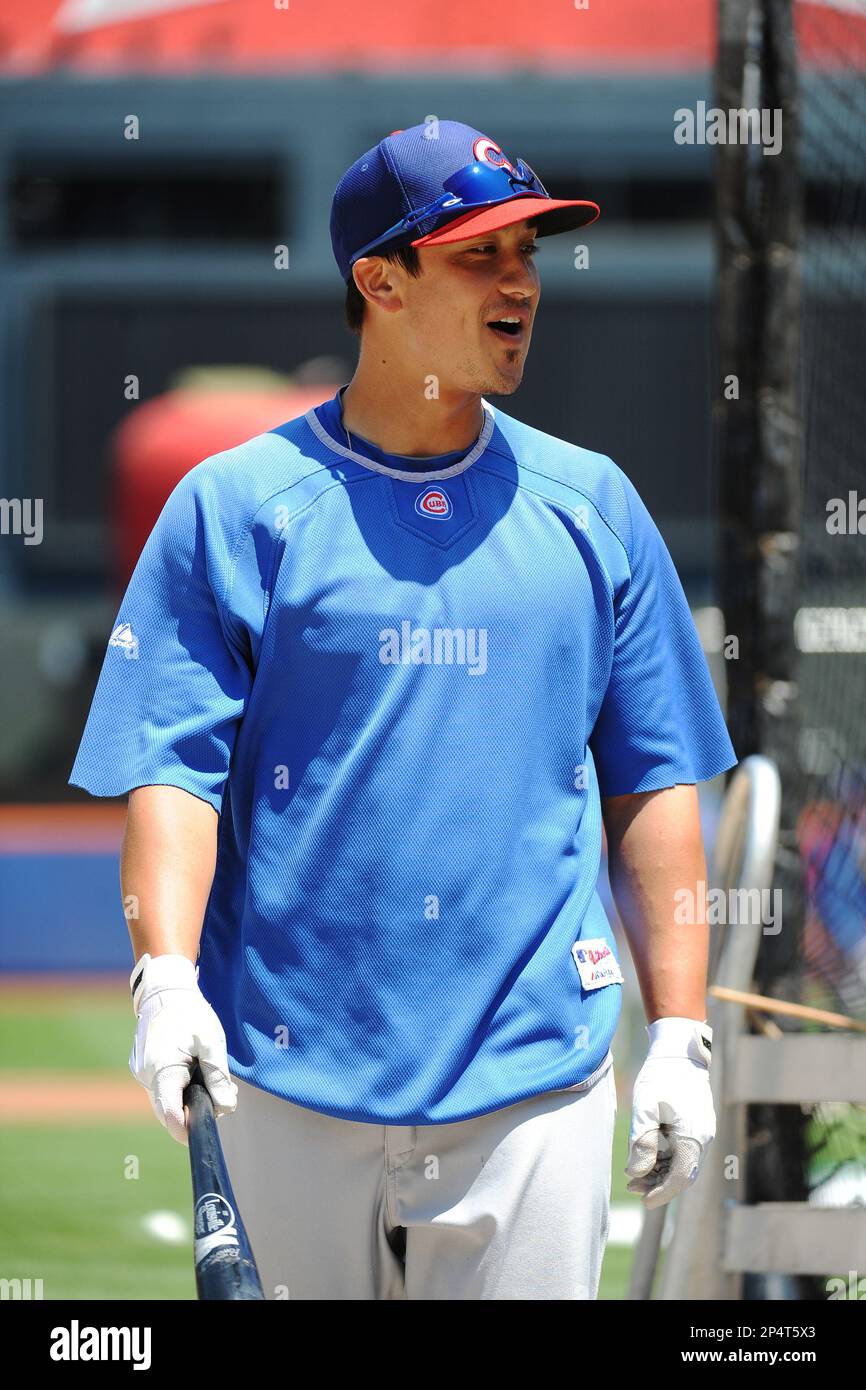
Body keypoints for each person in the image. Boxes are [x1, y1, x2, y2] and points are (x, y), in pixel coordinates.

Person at [70, 120, 735, 1300]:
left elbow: (654, 783)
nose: (521, 280)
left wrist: (679, 1032)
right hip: (277, 1075)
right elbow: (172, 775)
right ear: (378, 279)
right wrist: (162, 976)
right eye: (480, 254)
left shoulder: (595, 507)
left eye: (527, 249)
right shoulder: (235, 507)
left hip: (536, 1079)